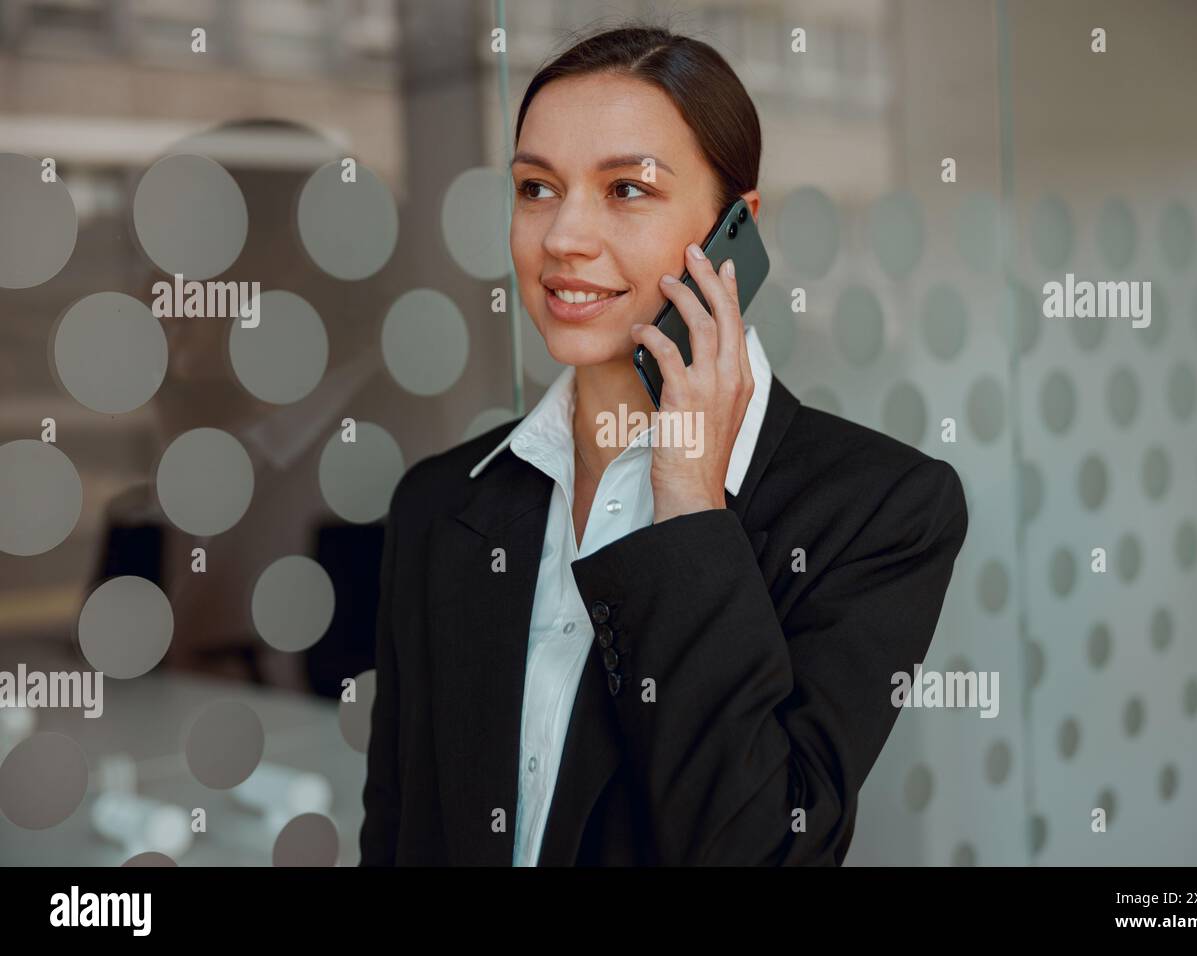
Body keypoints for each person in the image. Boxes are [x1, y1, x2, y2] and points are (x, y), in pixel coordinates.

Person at [360, 21, 968, 866]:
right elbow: (397, 836)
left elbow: (755, 850)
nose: (563, 236)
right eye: (537, 188)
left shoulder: (877, 509)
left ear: (736, 229)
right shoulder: (442, 502)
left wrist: (687, 501)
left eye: (627, 190)